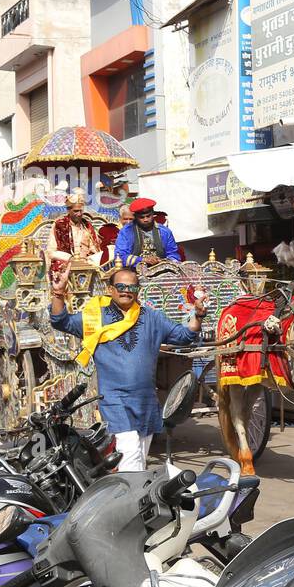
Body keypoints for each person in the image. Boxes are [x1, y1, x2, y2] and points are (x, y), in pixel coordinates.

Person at [49, 266, 204, 471]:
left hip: (146, 401)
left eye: (132, 287)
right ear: (110, 289)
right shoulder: (95, 318)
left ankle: (134, 499)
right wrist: (58, 293)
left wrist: (198, 316)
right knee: (130, 452)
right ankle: (133, 499)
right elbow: (61, 322)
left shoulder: (152, 318)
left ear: (138, 290)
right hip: (115, 400)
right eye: (120, 286)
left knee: (139, 457)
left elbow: (184, 336)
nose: (126, 291)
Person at [45, 187, 101, 283]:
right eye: (76, 211)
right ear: (68, 210)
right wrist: (70, 258)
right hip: (67, 262)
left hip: (87, 263)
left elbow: (95, 249)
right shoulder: (60, 225)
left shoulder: (87, 226)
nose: (79, 214)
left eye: (81, 211)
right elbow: (51, 252)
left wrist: (91, 258)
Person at [114, 198, 181, 268]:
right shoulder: (126, 231)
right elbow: (120, 256)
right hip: (134, 271)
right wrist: (143, 260)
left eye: (148, 216)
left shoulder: (165, 232)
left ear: (153, 214)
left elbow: (173, 255)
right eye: (141, 217)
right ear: (135, 217)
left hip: (161, 270)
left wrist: (162, 261)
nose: (145, 220)